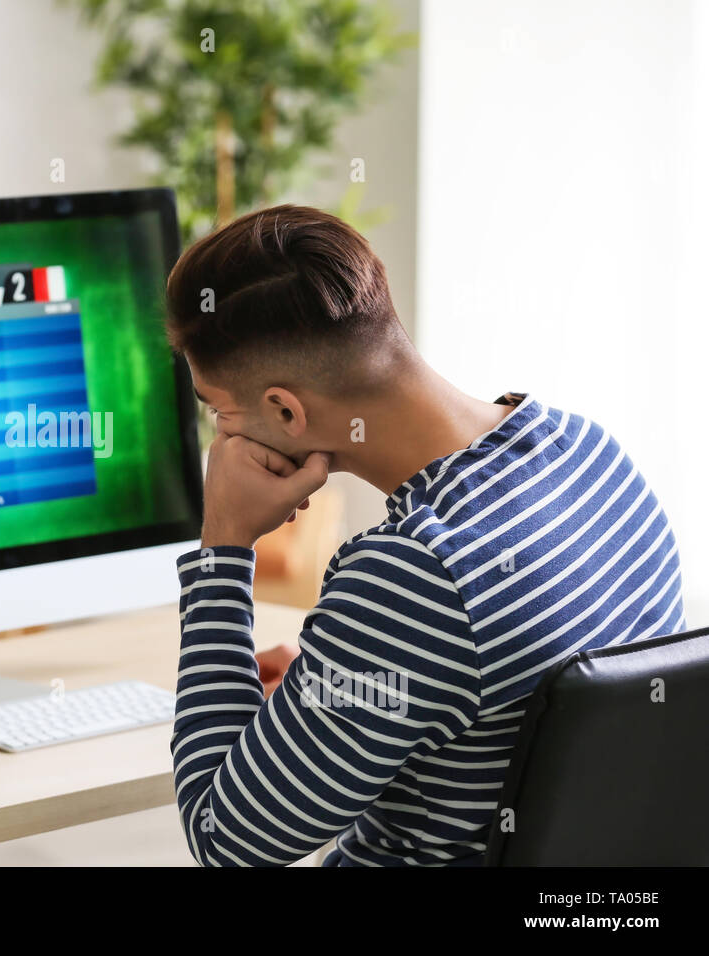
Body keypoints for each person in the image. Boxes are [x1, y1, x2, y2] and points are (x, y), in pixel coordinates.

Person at [165, 204, 685, 866]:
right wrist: (342, 686)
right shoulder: (589, 448)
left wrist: (225, 545)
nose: (222, 442)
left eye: (220, 412)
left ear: (286, 411)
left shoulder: (415, 574)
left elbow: (224, 838)